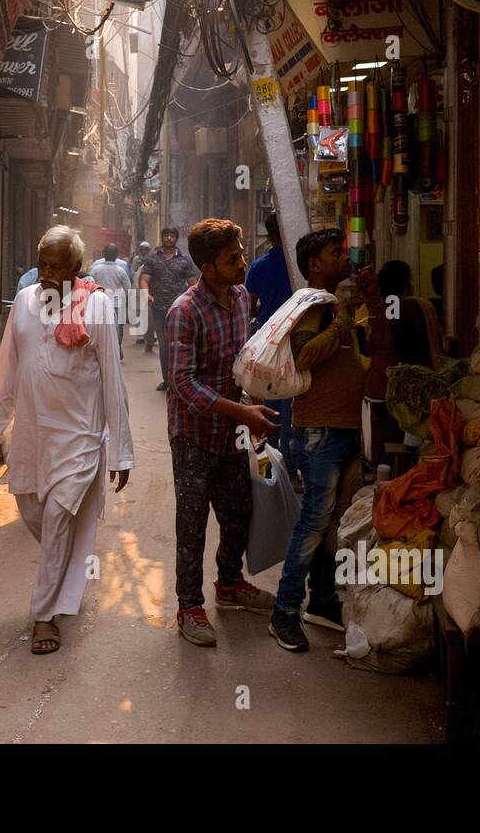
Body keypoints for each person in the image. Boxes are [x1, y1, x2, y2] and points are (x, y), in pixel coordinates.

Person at [0, 226, 133, 655]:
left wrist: (120, 451)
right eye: (42, 264)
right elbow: (7, 372)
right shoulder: (25, 305)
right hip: (32, 435)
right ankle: (64, 576)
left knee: (54, 521)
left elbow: (113, 379)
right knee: (32, 510)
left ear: (77, 268)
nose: (47, 274)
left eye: (57, 267)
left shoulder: (98, 306)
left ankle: (44, 616)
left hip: (80, 439)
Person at [269, 228, 385, 652]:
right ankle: (284, 611)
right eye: (336, 253)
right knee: (314, 522)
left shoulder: (339, 304)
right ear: (315, 264)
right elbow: (304, 355)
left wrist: (368, 303)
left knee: (330, 523)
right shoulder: (313, 305)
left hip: (344, 426)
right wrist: (342, 315)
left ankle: (321, 601)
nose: (345, 257)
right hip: (318, 429)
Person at [166, 219, 280, 647]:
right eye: (232, 259)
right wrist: (243, 413)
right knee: (192, 523)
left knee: (237, 514)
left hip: (234, 431)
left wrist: (250, 406)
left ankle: (229, 584)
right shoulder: (184, 312)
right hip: (194, 435)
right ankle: (188, 607)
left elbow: (241, 361)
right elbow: (183, 382)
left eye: (242, 253)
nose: (243, 264)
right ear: (207, 267)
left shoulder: (238, 299)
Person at [244, 211, 294, 460]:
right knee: (293, 399)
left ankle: (275, 459)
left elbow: (250, 306)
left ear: (269, 234)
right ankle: (292, 457)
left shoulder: (258, 265)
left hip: (269, 337)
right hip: (296, 337)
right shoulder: (298, 263)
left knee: (273, 396)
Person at [140, 227, 199, 391]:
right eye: (166, 235)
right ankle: (167, 380)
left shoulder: (185, 260)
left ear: (176, 238)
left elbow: (193, 283)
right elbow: (144, 279)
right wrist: (146, 294)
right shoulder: (152, 258)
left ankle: (181, 380)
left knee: (179, 345)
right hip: (159, 308)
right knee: (165, 345)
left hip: (179, 310)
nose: (168, 238)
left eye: (172, 235)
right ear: (162, 238)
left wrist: (194, 301)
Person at [378, 260, 443, 369]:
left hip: (410, 372)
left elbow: (391, 345)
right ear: (406, 284)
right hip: (431, 369)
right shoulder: (424, 303)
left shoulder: (395, 305)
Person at [89, 244, 134, 358]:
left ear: (103, 255)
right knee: (118, 328)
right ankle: (116, 348)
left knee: (99, 327)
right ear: (116, 256)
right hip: (117, 304)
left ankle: (101, 350)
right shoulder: (121, 270)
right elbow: (128, 289)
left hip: (99, 303)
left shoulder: (95, 269)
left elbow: (88, 286)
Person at [131, 241, 153, 346]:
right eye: (142, 249)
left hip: (150, 289)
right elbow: (132, 272)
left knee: (150, 313)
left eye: (146, 249)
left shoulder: (152, 259)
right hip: (137, 289)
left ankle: (150, 336)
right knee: (138, 312)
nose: (144, 251)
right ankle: (140, 336)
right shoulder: (136, 259)